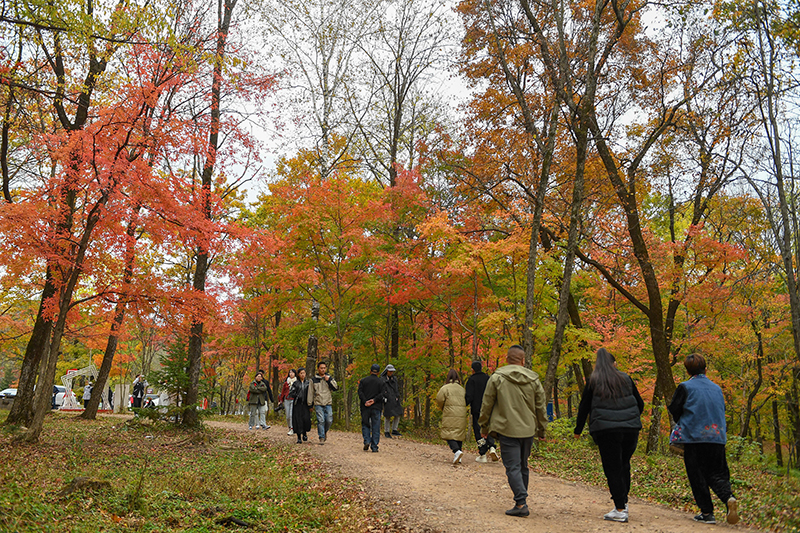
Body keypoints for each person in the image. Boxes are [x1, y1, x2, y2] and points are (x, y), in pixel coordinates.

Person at [573, 348, 644, 523]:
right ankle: (623, 503)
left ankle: (620, 509)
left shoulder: (593, 381)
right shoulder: (626, 378)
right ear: (614, 364)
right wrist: (632, 418)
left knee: (612, 468)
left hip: (606, 431)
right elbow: (639, 403)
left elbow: (584, 407)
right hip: (630, 429)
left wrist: (578, 430)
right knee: (623, 464)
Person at [668, 354, 739, 525]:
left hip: (695, 438)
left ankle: (707, 513)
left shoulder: (685, 387)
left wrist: (682, 422)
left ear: (687, 370)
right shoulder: (717, 388)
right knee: (717, 473)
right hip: (717, 437)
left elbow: (674, 409)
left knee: (697, 474)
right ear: (705, 369)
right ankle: (728, 497)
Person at [478, 345, 547, 518]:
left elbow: (487, 404)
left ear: (507, 359)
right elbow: (541, 407)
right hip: (528, 430)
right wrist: (542, 430)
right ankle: (520, 501)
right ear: (523, 360)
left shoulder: (497, 378)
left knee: (513, 467)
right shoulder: (534, 380)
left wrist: (483, 426)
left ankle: (521, 502)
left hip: (507, 429)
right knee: (523, 466)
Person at [465, 360, 497, 463]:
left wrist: (463, 404)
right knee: (489, 426)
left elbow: (469, 396)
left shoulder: (471, 380)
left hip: (477, 409)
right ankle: (492, 446)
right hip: (489, 408)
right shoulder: (488, 378)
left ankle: (483, 453)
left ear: (473, 369)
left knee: (478, 429)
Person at [435, 369, 468, 465]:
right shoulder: (462, 389)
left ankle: (457, 451)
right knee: (458, 434)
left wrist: (443, 407)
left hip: (450, 413)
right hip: (461, 413)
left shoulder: (445, 388)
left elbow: (439, 399)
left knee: (448, 433)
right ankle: (459, 455)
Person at [307, 361, 338, 444]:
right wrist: (310, 404)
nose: (323, 370)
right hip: (318, 403)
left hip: (328, 402)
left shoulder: (329, 378)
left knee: (329, 420)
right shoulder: (313, 380)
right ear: (318, 369)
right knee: (321, 420)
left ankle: (324, 432)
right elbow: (310, 392)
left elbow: (335, 387)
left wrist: (329, 380)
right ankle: (321, 437)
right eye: (321, 368)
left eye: (324, 368)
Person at [358, 364, 385, 452]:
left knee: (365, 424)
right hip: (376, 406)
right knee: (376, 426)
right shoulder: (381, 382)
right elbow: (382, 394)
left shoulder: (363, 381)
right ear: (378, 372)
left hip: (365, 406)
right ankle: (374, 446)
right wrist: (374, 400)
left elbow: (360, 392)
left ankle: (367, 440)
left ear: (370, 371)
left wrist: (365, 401)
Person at [290, 368, 312, 444]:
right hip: (297, 404)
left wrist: (311, 404)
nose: (303, 374)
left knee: (306, 419)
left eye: (304, 373)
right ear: (298, 374)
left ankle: (305, 433)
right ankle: (299, 437)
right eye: (301, 373)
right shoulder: (295, 383)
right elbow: (291, 393)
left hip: (306, 404)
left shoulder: (308, 383)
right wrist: (296, 395)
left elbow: (311, 394)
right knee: (298, 420)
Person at [383, 364, 402, 438]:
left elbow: (396, 388)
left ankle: (394, 429)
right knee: (387, 415)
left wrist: (397, 396)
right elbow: (382, 390)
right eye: (390, 371)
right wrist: (384, 397)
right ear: (387, 371)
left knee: (398, 414)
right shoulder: (383, 380)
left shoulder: (394, 379)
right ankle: (386, 431)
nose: (391, 373)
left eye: (392, 371)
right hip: (387, 399)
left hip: (395, 399)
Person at [278, 369, 297, 435]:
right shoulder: (286, 383)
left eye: (292, 372)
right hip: (286, 399)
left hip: (294, 400)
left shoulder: (297, 382)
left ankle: (292, 428)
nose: (291, 374)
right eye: (290, 372)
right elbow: (283, 392)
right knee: (288, 416)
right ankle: (289, 427)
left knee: (292, 415)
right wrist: (280, 400)